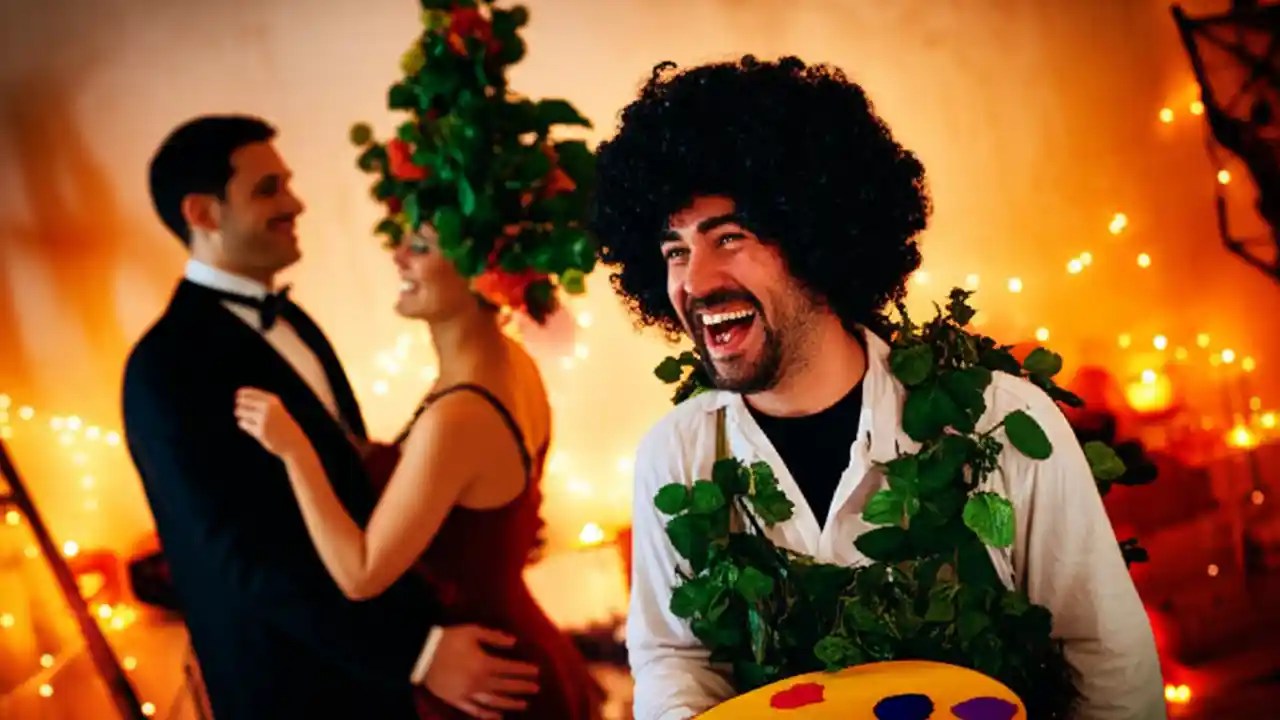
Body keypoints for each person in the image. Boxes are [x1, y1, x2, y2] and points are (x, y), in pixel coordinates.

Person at [590, 56, 1166, 719]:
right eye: (675, 251)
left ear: (814, 238)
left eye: (730, 237)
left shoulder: (999, 423)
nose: (696, 281)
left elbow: (1105, 658)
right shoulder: (677, 456)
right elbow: (674, 657)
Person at [123, 115, 539, 720]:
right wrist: (416, 654)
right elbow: (243, 562)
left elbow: (353, 484)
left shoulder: (300, 326)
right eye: (268, 189)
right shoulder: (164, 369)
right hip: (297, 690)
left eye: (286, 184)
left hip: (386, 683)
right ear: (202, 213)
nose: (296, 203)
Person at [233, 225, 600, 719]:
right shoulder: (510, 361)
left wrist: (295, 451)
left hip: (489, 684)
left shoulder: (457, 417)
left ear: (484, 276)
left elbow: (360, 574)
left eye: (422, 246)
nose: (398, 256)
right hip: (521, 648)